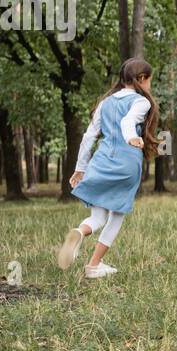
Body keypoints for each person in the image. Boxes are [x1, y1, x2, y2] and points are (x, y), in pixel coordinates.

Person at [56, 57, 160, 278]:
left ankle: (79, 232)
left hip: (101, 161)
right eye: (149, 79)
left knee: (98, 218)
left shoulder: (106, 102)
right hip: (126, 163)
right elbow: (128, 122)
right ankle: (94, 265)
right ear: (141, 79)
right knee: (117, 215)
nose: (150, 84)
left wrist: (80, 168)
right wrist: (132, 137)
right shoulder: (141, 102)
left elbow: (88, 137)